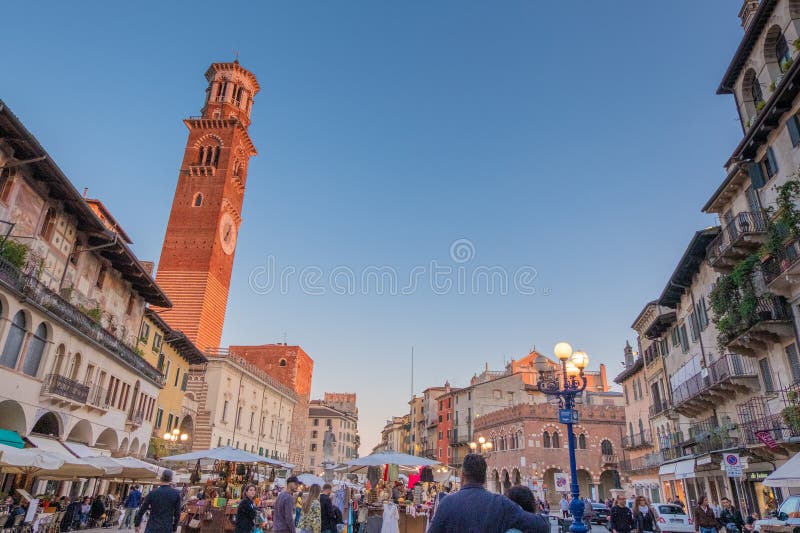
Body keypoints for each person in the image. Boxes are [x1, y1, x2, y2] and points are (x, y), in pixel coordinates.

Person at [427, 453, 550, 533]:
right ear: (484, 477)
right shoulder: (500, 503)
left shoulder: (447, 503)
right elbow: (542, 525)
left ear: (462, 475)